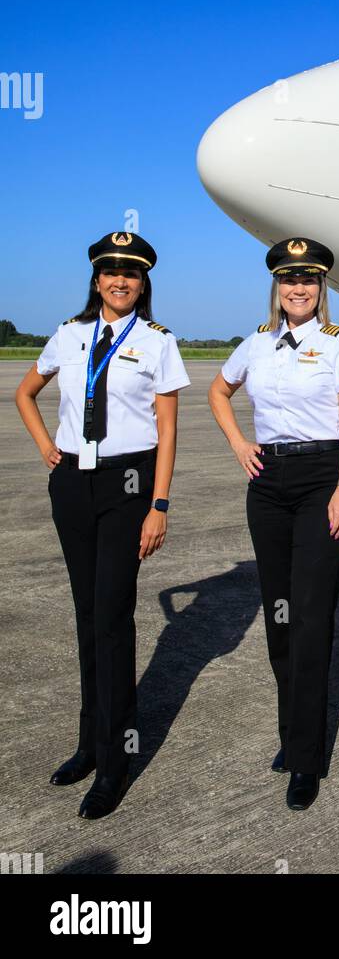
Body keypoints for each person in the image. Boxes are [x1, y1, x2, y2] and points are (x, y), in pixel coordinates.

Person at [15, 231, 189, 818]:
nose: (121, 281)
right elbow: (26, 392)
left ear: (144, 284)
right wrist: (47, 447)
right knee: (86, 614)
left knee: (113, 616)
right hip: (72, 484)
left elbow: (168, 431)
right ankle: (88, 745)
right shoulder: (68, 334)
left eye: (132, 274)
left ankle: (116, 762)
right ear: (96, 280)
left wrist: (158, 505)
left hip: (129, 485)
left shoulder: (159, 342)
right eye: (111, 273)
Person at [208, 237, 339, 811]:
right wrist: (237, 444)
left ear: (321, 288)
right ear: (276, 287)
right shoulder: (256, 343)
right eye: (287, 280)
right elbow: (218, 391)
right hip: (267, 485)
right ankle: (290, 732)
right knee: (278, 616)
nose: (297, 288)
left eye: (308, 280)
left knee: (310, 617)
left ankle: (307, 756)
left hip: (324, 478)